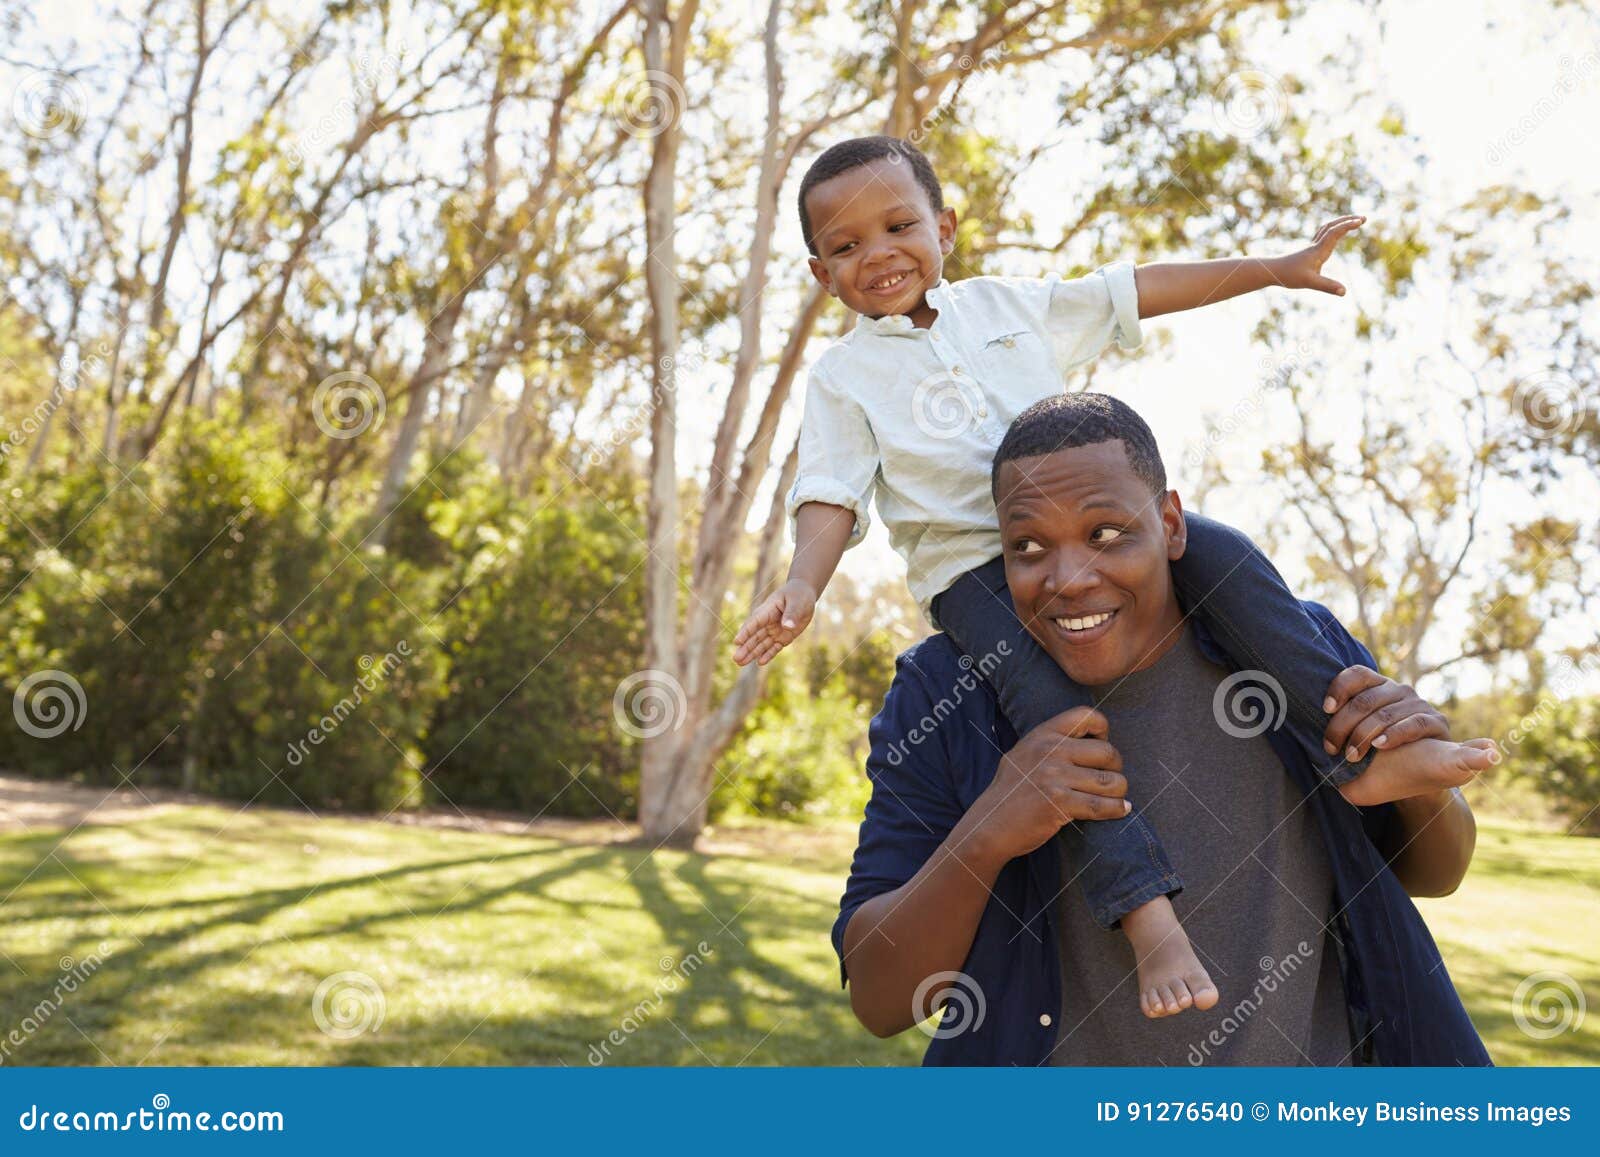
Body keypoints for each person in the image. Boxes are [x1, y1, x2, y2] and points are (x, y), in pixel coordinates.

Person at [732, 133, 1475, 1017]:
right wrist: (804, 584)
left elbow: (1135, 290)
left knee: (1233, 557)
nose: (879, 254)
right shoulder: (844, 379)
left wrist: (1274, 269)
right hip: (978, 576)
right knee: (1060, 729)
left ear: (947, 228)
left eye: (898, 225)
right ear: (822, 275)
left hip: (1093, 510)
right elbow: (830, 495)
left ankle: (1363, 754)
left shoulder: (1009, 305)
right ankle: (1149, 917)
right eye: (847, 246)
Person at [832, 392, 1496, 1065]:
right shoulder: (946, 694)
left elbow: (1437, 874)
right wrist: (987, 832)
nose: (1068, 579)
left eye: (1105, 533)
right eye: (1028, 546)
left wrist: (1424, 786)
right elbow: (882, 1001)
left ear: (1171, 524)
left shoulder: (1295, 652)